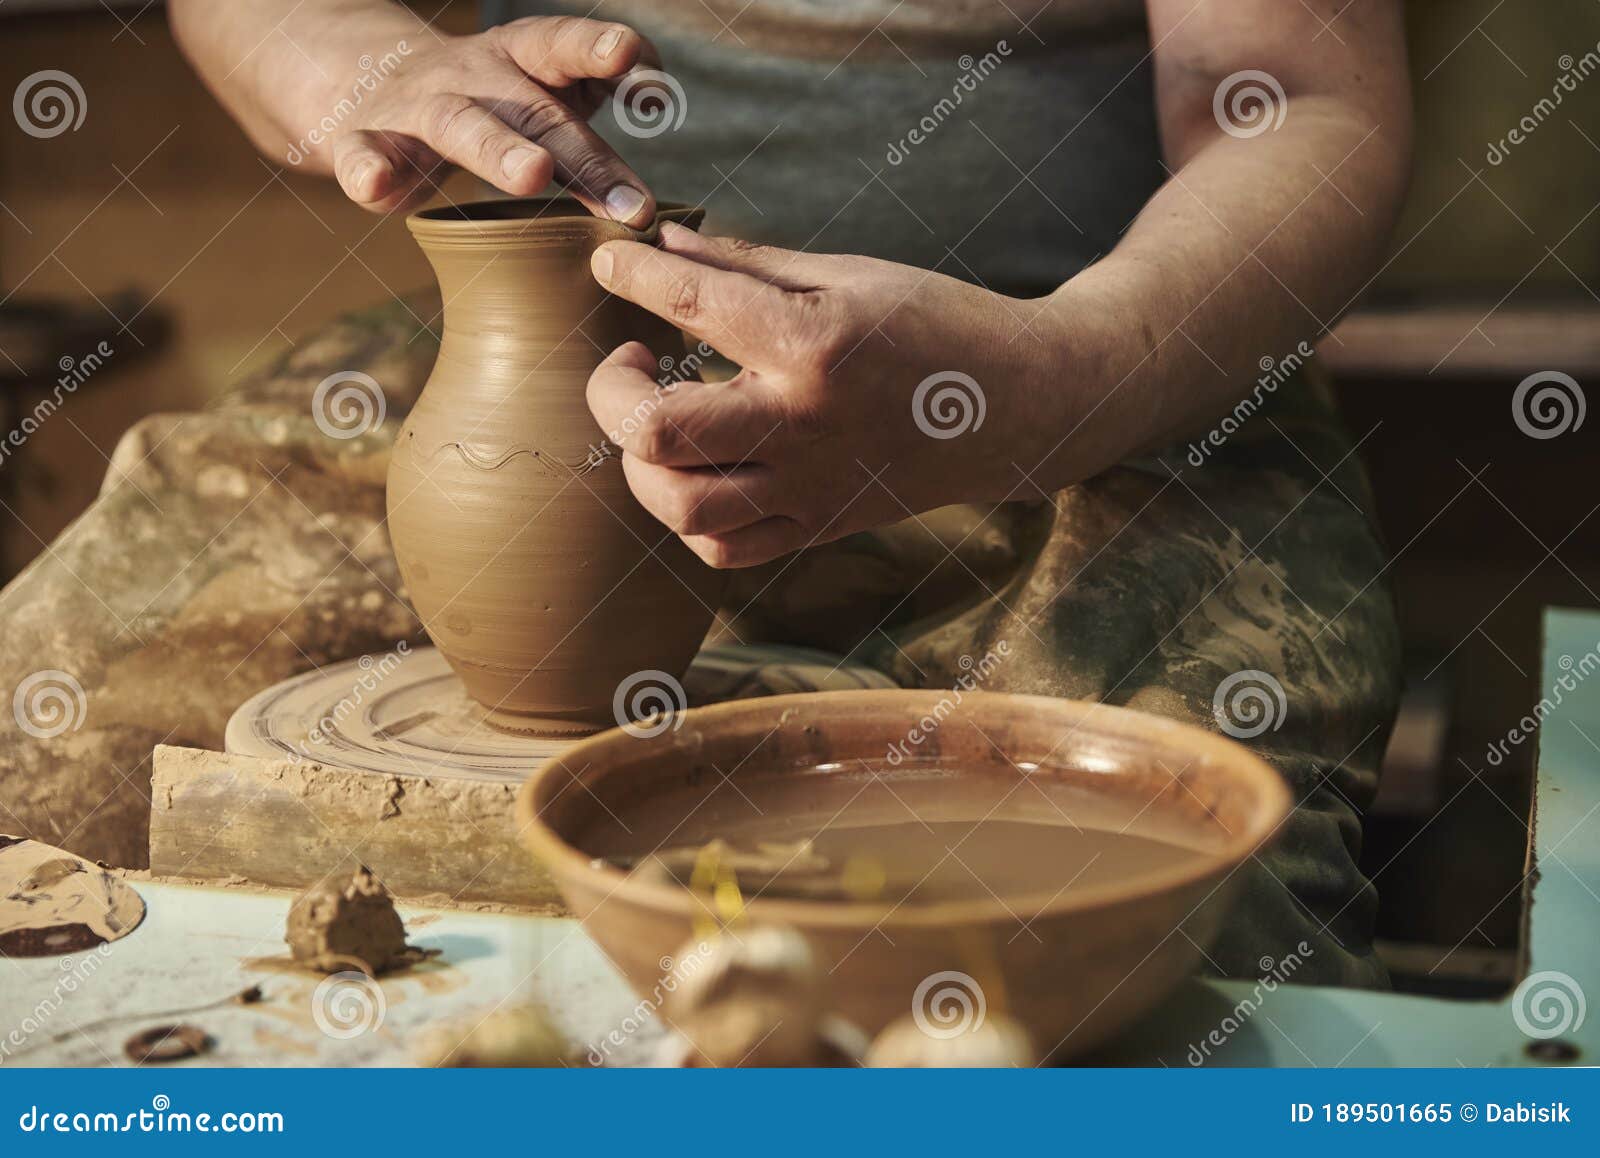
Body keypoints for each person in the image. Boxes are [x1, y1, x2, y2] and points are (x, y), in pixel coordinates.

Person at [76, 0, 1405, 994]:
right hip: (504, 377)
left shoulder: (1086, 368)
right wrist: (362, 63)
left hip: (1111, 366)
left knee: (1166, 942)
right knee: (61, 747)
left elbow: (1302, 101)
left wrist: (1052, 380)